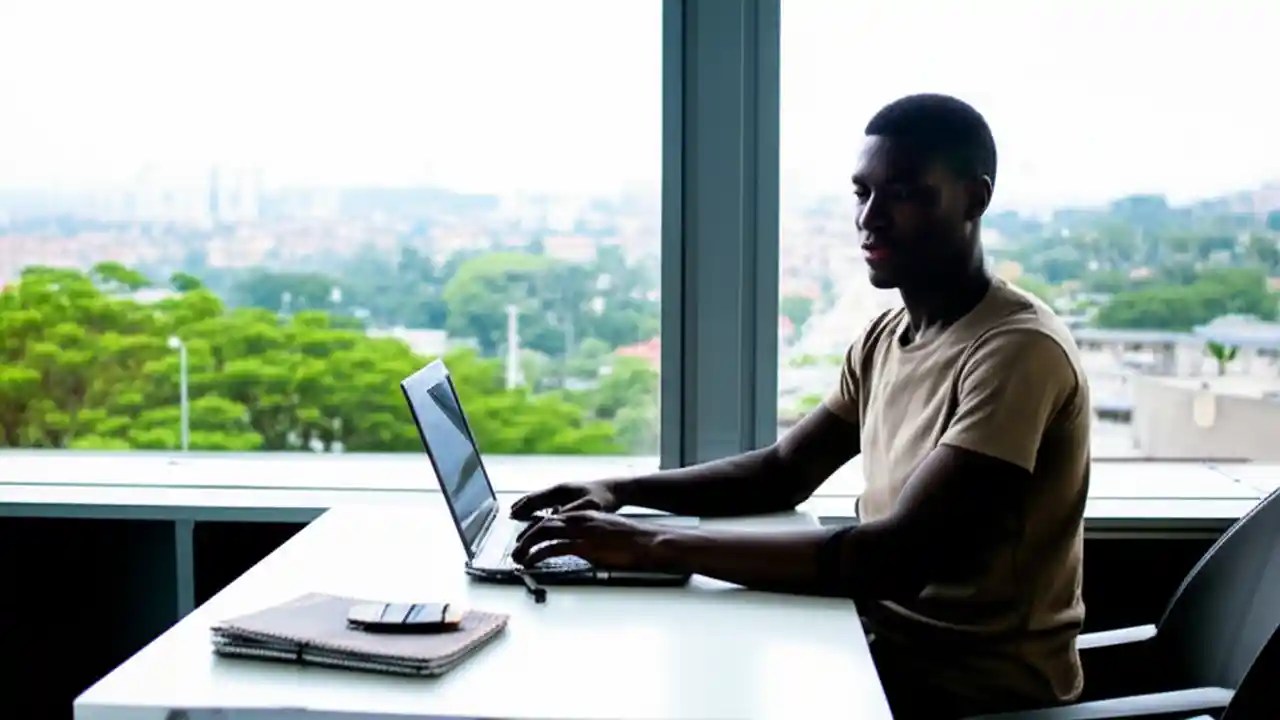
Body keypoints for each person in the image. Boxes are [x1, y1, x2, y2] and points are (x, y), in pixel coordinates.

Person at [511, 93, 1091, 718]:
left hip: (971, 695)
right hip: (880, 651)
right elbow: (783, 471)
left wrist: (654, 545)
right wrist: (617, 489)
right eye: (861, 193)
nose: (870, 218)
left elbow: (893, 559)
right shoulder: (886, 337)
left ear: (975, 200)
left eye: (900, 193)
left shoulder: (1016, 351)